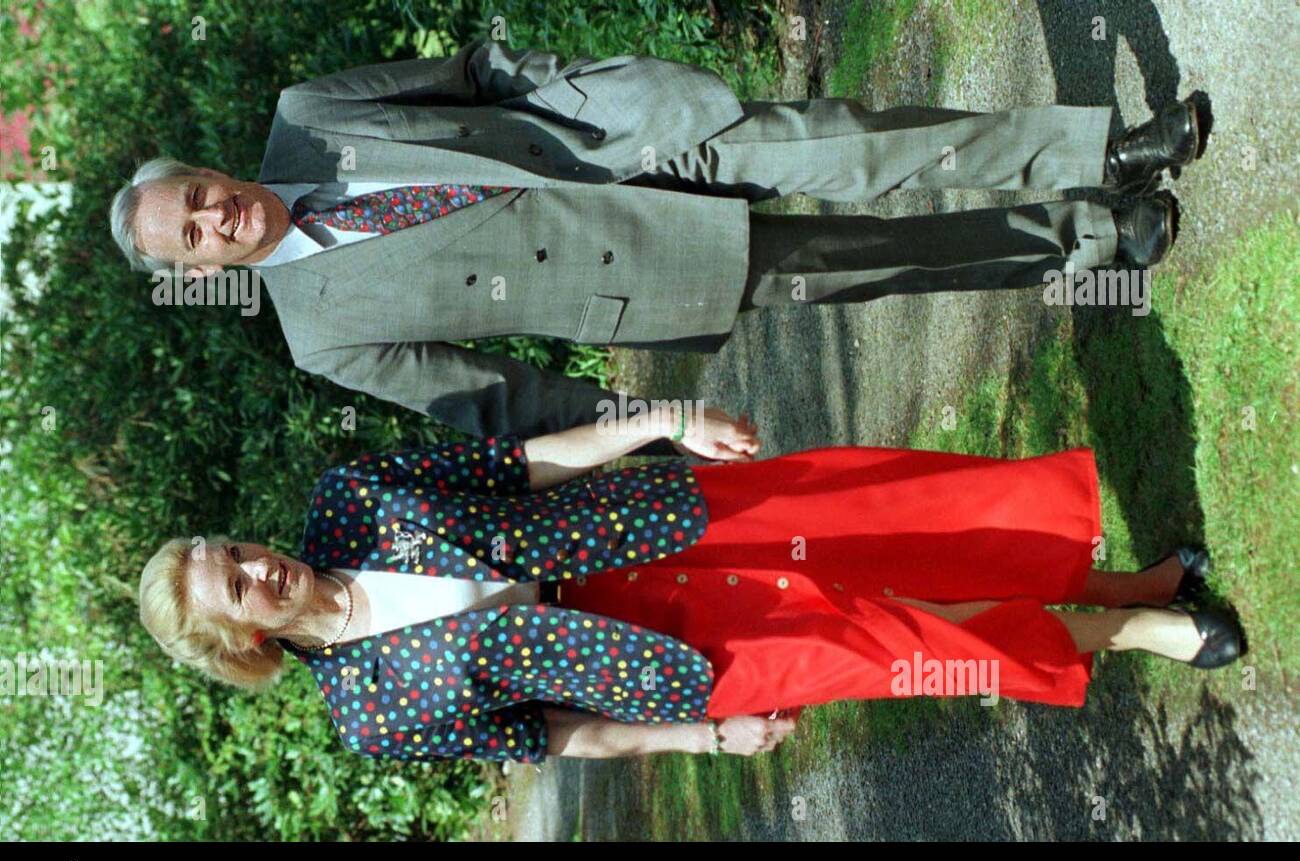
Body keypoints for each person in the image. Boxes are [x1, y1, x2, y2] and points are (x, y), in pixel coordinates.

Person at [109, 38, 1211, 453]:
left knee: (859, 147)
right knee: (878, 254)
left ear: (207, 169)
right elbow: (503, 401)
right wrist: (654, 422)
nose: (218, 217)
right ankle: (1092, 235)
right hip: (632, 278)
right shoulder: (321, 340)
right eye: (195, 237)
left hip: (631, 143)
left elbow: (472, 72)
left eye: (199, 194)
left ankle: (1105, 147)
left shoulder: (310, 112)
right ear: (196, 274)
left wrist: (578, 84)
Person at [137, 407, 1244, 762]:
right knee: (890, 642)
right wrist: (701, 744)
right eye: (231, 588)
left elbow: (517, 464)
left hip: (656, 525)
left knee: (883, 523)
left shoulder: (351, 499)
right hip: (670, 657)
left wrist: (658, 422)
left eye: (231, 549)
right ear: (242, 641)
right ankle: (1135, 626)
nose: (251, 566)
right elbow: (557, 737)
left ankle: (1108, 577)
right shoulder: (367, 712)